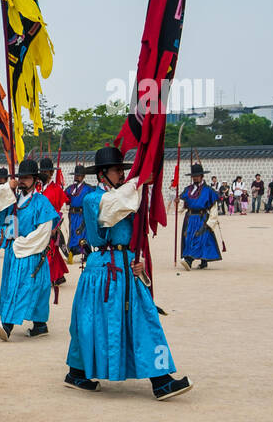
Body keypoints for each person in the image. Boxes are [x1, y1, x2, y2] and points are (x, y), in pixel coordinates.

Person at [63, 145, 193, 401]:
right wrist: (141, 180)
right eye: (116, 171)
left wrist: (138, 260)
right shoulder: (94, 199)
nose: (122, 176)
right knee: (89, 323)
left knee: (144, 319)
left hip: (125, 264)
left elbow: (129, 218)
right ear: (102, 174)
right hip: (103, 268)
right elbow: (117, 206)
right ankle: (76, 372)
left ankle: (161, 379)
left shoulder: (123, 195)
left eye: (123, 171)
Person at [0, 158, 59, 341]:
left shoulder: (41, 202)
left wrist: (22, 244)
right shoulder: (12, 199)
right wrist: (6, 189)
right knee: (19, 286)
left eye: (26, 178)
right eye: (20, 177)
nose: (22, 181)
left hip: (30, 252)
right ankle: (39, 324)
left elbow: (44, 231)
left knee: (25, 287)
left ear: (35, 180)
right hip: (14, 252)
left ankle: (7, 324)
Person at [178, 163, 222, 270]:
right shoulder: (188, 189)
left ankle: (189, 260)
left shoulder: (209, 191)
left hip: (202, 218)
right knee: (188, 238)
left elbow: (213, 207)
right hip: (189, 218)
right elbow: (182, 205)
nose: (195, 178)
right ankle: (203, 260)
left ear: (202, 176)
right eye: (194, 176)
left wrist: (211, 222)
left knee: (199, 238)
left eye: (197, 176)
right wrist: (177, 202)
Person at [38, 157, 70, 290]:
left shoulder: (56, 189)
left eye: (48, 172)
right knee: (50, 251)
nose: (46, 174)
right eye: (43, 172)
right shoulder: (37, 189)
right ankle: (58, 276)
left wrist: (55, 227)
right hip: (39, 224)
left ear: (51, 173)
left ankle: (49, 277)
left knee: (50, 251)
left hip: (52, 225)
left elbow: (60, 211)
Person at [65, 165, 95, 258]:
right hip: (73, 215)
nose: (77, 177)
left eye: (79, 175)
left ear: (83, 176)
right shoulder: (70, 188)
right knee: (73, 232)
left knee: (82, 233)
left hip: (83, 215)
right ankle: (72, 251)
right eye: (75, 175)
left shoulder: (88, 188)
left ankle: (86, 253)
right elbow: (65, 198)